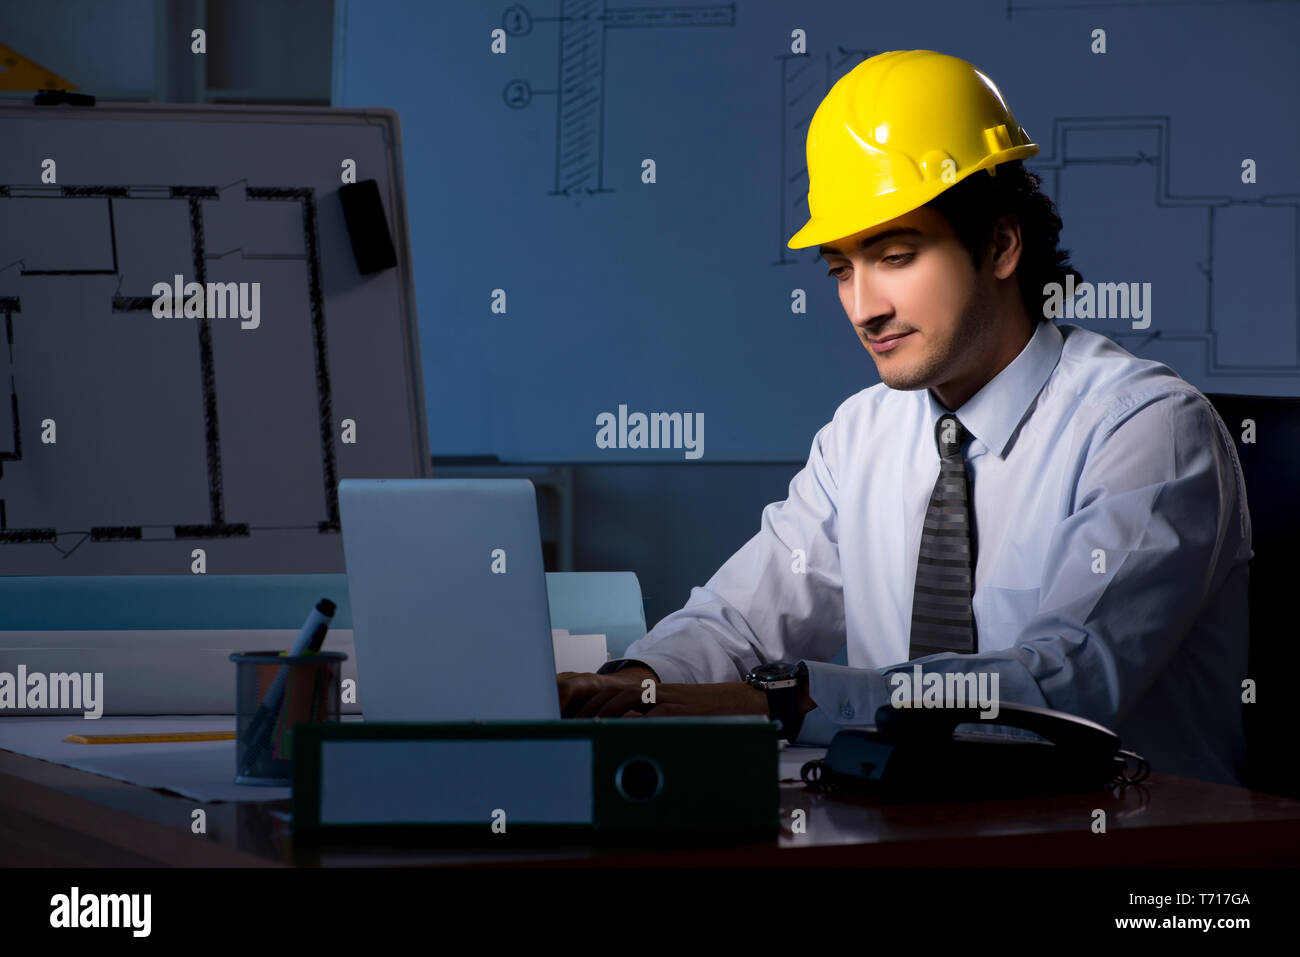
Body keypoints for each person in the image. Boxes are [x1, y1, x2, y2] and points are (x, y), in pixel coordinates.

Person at [556, 50, 1251, 787]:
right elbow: (740, 621)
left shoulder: (1148, 429)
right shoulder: (861, 434)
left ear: (1001, 244)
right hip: (906, 835)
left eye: (894, 255)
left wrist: (784, 702)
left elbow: (1056, 688)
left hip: (1128, 849)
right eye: (841, 268)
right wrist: (632, 683)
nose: (864, 307)